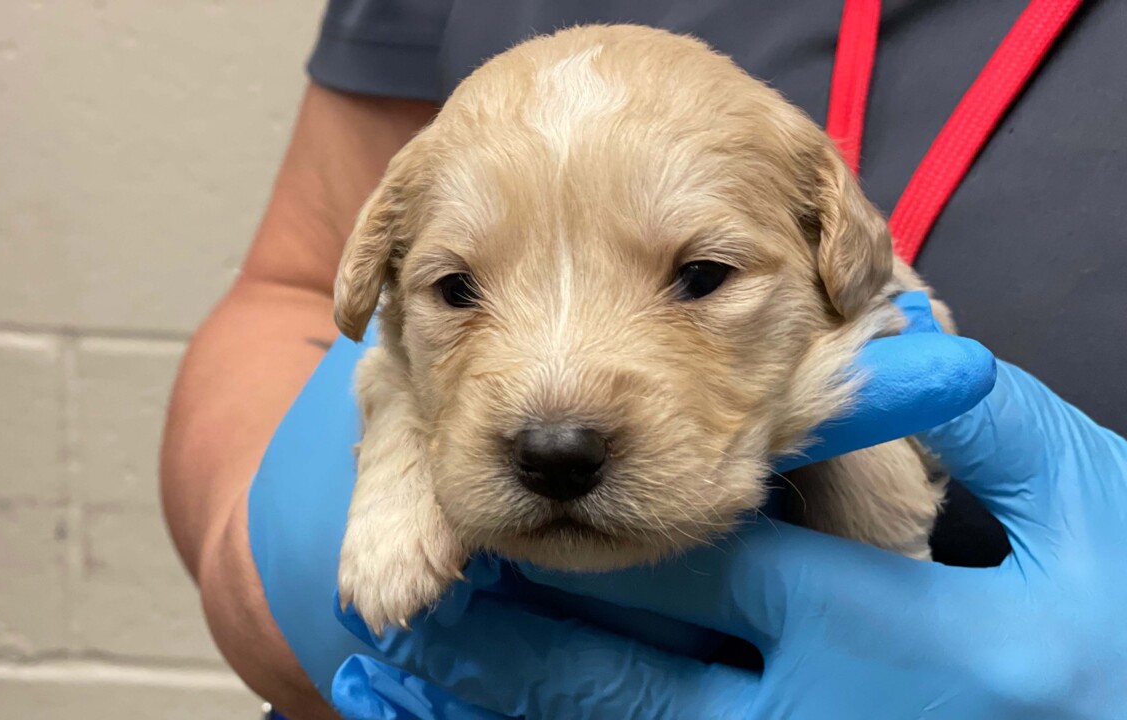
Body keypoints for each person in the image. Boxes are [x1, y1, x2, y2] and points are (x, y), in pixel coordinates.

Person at [159, 2, 1127, 718]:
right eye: (457, 288)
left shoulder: (854, 275)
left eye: (698, 275)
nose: (556, 419)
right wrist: (258, 577)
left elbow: (870, 325)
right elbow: (308, 297)